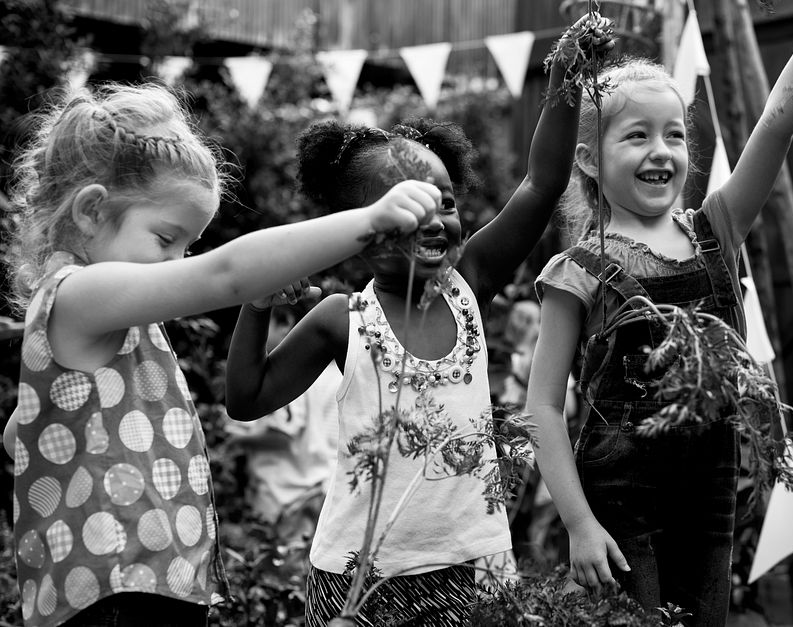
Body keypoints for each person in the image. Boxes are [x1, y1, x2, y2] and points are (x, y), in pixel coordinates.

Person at [1, 82, 441, 627]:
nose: (178, 261)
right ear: (92, 211)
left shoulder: (105, 320)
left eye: (187, 248)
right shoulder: (77, 297)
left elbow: (26, 433)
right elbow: (224, 273)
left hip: (143, 586)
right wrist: (367, 221)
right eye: (166, 239)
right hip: (114, 593)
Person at [224, 16, 614, 626]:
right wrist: (257, 303)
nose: (436, 219)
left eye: (446, 201)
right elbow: (246, 399)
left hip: (474, 565)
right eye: (411, 204)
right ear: (358, 228)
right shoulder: (343, 320)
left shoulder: (470, 285)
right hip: (361, 577)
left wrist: (565, 74)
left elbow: (543, 183)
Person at [524, 2, 793, 625]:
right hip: (618, 501)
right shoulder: (576, 270)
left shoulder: (717, 228)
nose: (661, 150)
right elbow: (542, 408)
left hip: (710, 489)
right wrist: (578, 523)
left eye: (674, 133)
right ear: (587, 162)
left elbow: (777, 124)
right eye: (636, 136)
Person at [224, 302, 342, 544]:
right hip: (300, 488)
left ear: (285, 323)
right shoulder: (304, 369)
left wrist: (237, 440)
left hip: (290, 494)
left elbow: (283, 432)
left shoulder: (284, 372)